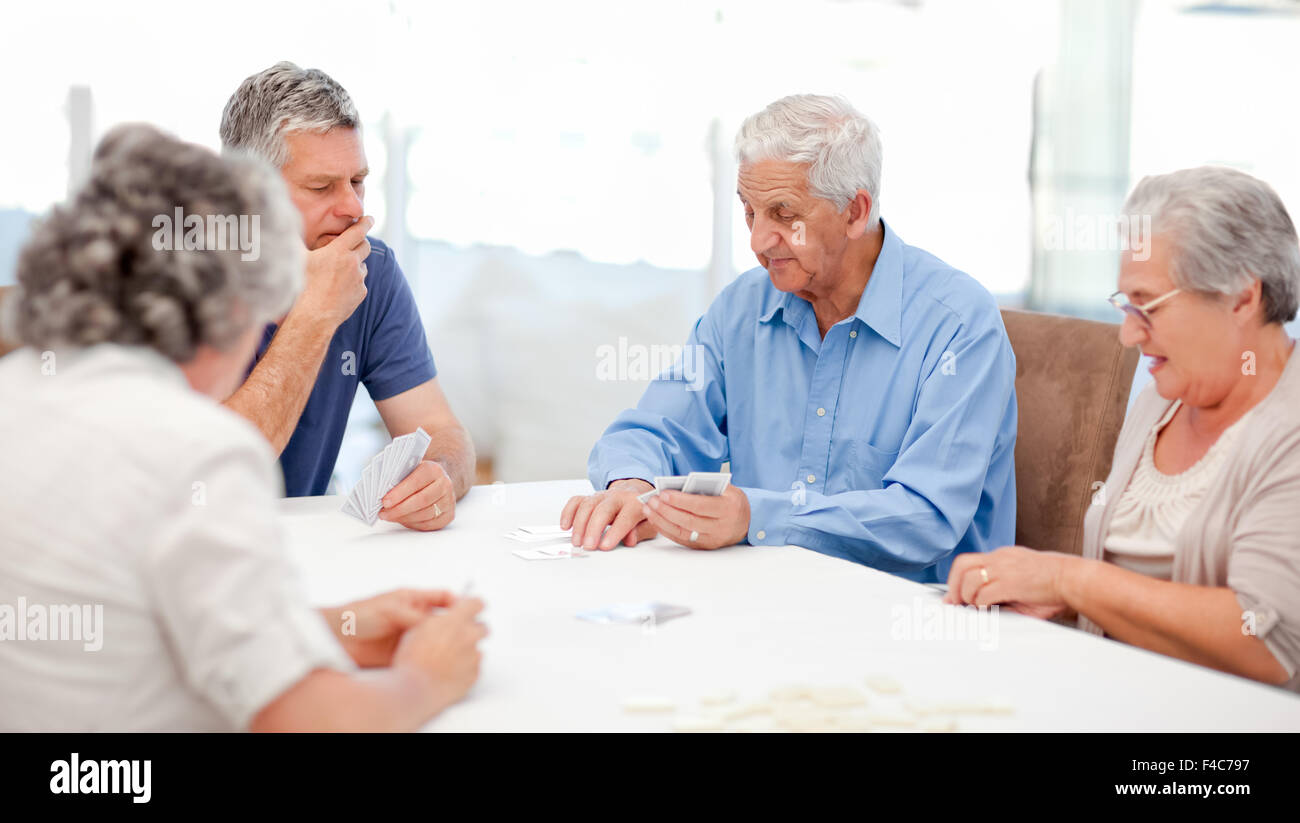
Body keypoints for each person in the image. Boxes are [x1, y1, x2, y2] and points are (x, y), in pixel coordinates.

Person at [0, 124, 486, 730]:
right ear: (233, 306)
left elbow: (128, 614)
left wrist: (328, 629)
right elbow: (311, 723)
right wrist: (426, 677)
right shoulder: (196, 453)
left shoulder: (17, 389)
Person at [561, 94, 1018, 583]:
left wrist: (757, 519)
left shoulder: (959, 326)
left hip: (918, 626)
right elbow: (653, 430)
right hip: (769, 605)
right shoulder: (743, 308)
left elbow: (927, 519)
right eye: (750, 212)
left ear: (854, 211)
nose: (758, 240)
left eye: (784, 214)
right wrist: (632, 484)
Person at [946, 166, 1300, 691]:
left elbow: (1268, 643)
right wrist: (1058, 595)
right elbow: (1123, 602)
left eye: (1148, 305)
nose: (1129, 335)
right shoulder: (1164, 398)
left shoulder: (1287, 430)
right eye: (1125, 305)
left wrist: (1070, 581)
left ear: (1242, 299)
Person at [220, 62, 473, 531]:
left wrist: (440, 474)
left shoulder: (369, 270)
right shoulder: (175, 281)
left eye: (357, 181)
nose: (354, 208)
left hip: (303, 551)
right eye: (321, 187)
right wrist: (315, 312)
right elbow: (219, 473)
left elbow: (444, 432)